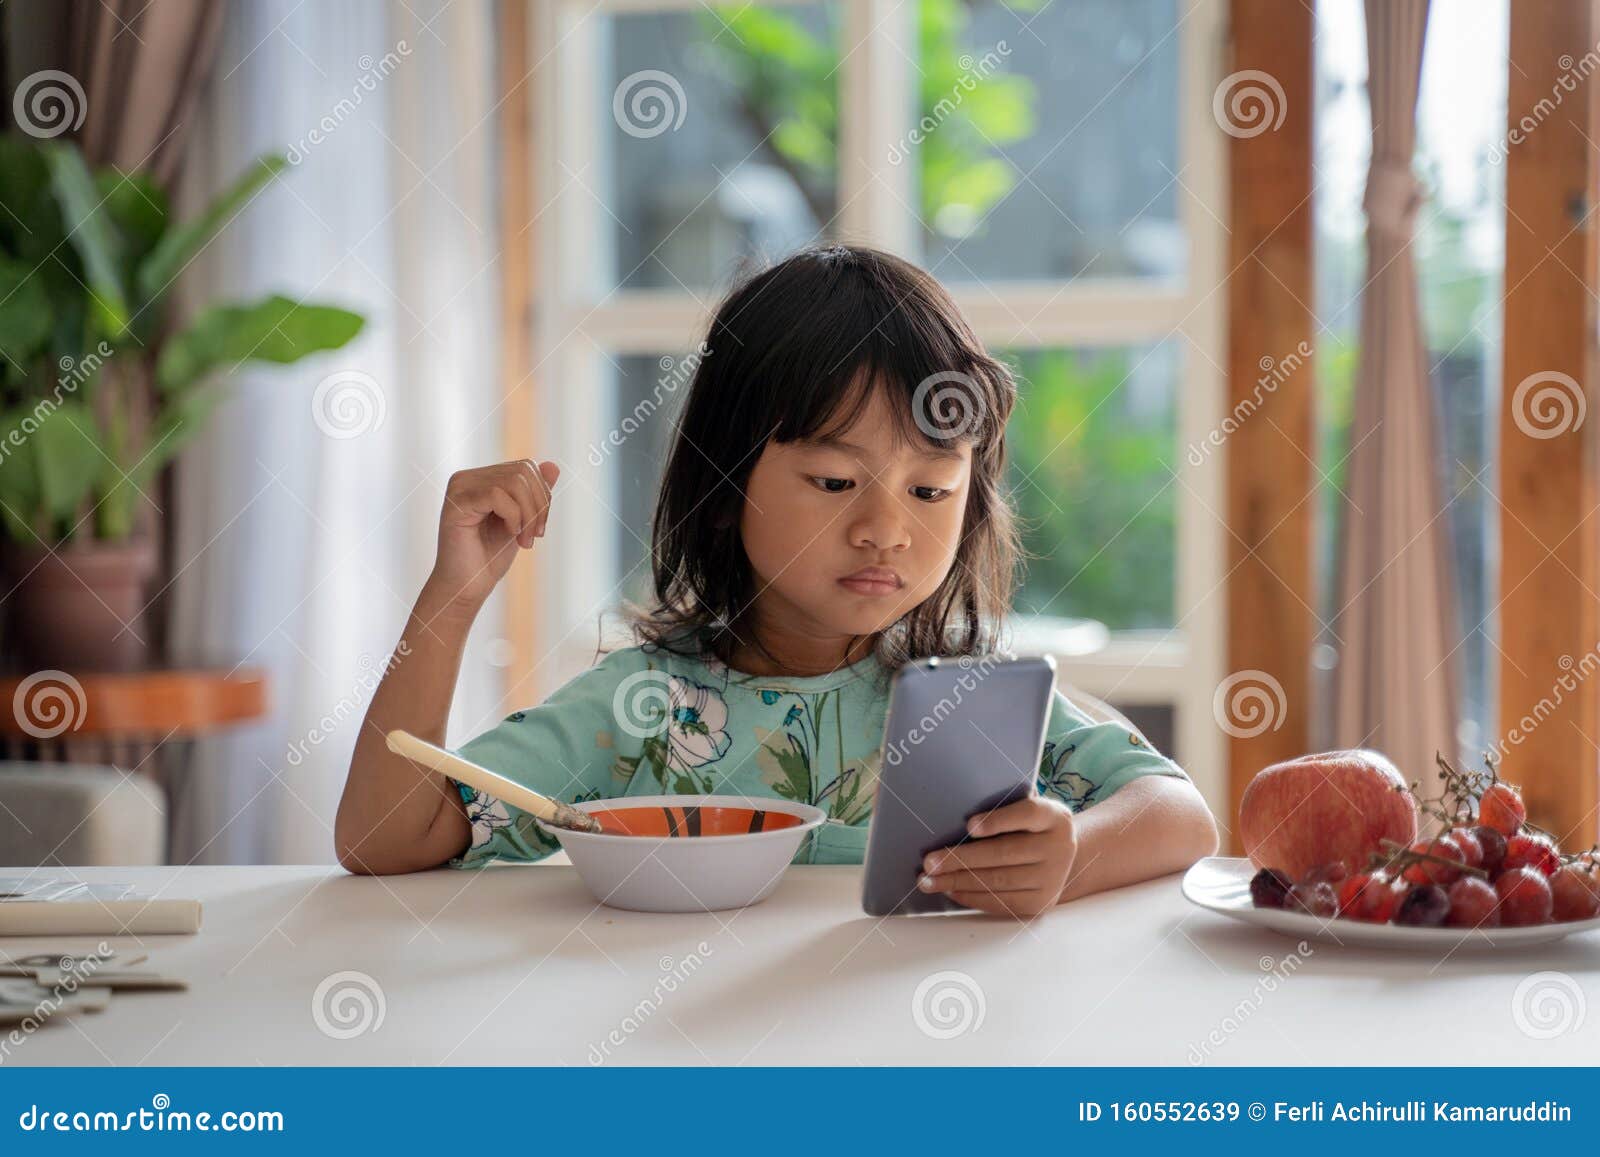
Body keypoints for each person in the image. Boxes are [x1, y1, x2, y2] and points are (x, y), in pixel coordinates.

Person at [335, 244, 1218, 918]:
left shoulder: (966, 700)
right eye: (835, 483)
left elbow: (1181, 816)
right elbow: (385, 839)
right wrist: (452, 597)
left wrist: (1070, 856)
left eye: (930, 489)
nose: (883, 527)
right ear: (722, 492)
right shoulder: (640, 709)